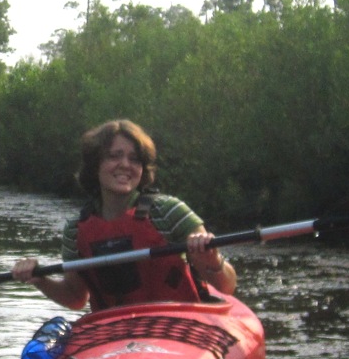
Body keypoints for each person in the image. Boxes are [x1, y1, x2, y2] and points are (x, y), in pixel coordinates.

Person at [12, 119, 236, 311]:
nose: (125, 165)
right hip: (117, 334)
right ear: (95, 165)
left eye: (134, 159)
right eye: (114, 156)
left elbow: (226, 287)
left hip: (181, 327)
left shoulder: (168, 212)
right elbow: (76, 298)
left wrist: (211, 260)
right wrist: (40, 279)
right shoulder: (76, 229)